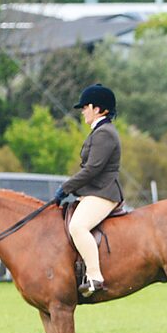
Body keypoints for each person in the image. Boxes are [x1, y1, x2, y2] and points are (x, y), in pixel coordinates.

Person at [53, 84, 122, 298]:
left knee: (78, 226)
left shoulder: (105, 133)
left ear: (98, 109)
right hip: (94, 192)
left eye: (85, 107)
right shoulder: (99, 132)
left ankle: (94, 276)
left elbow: (92, 169)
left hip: (103, 193)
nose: (83, 111)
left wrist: (66, 187)